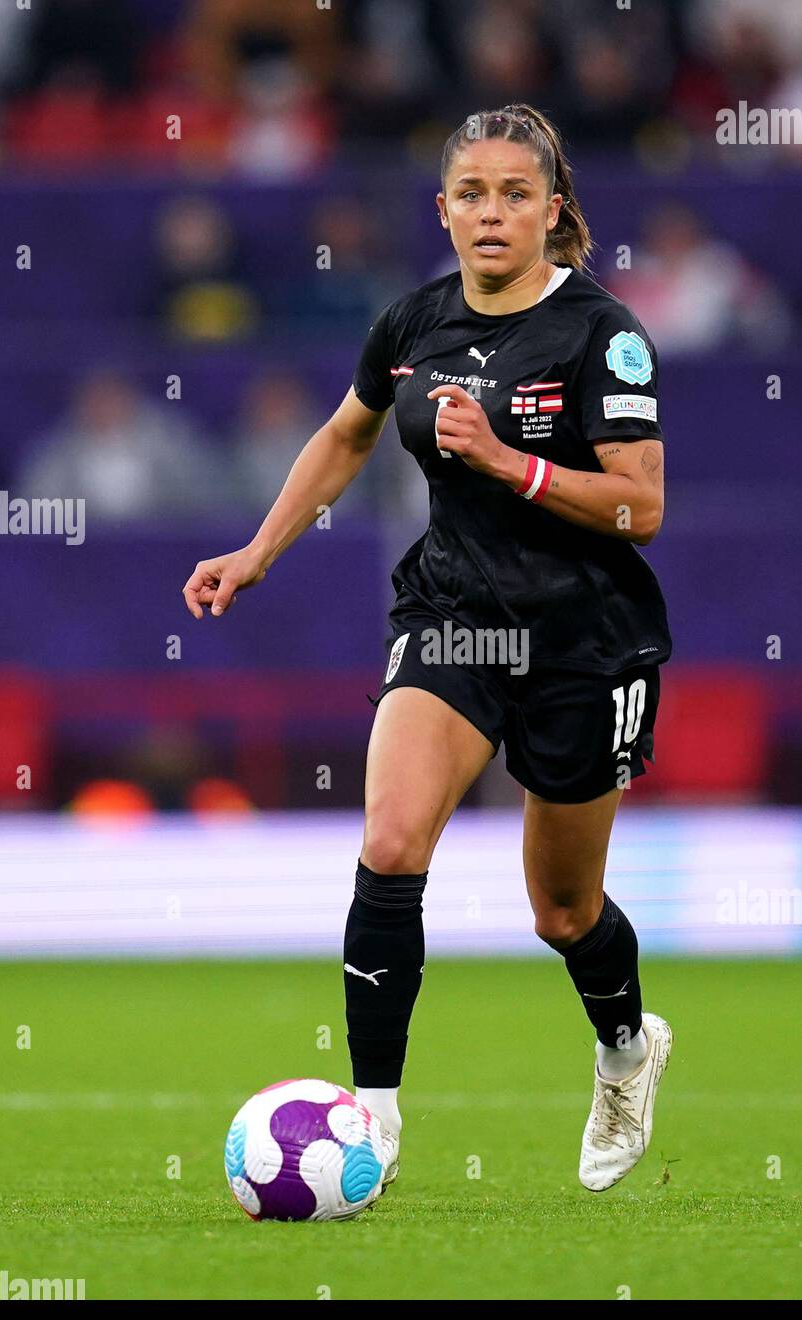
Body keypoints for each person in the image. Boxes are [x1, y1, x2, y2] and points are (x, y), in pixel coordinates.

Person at [182, 102, 674, 1197]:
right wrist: (261, 548)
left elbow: (642, 507)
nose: (492, 212)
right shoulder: (411, 325)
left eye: (514, 194)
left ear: (554, 211)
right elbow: (347, 430)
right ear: (442, 209)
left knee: (564, 911)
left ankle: (628, 1048)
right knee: (393, 839)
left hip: (584, 642)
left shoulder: (605, 335)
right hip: (451, 618)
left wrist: (508, 461)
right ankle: (377, 1120)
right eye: (472, 194)